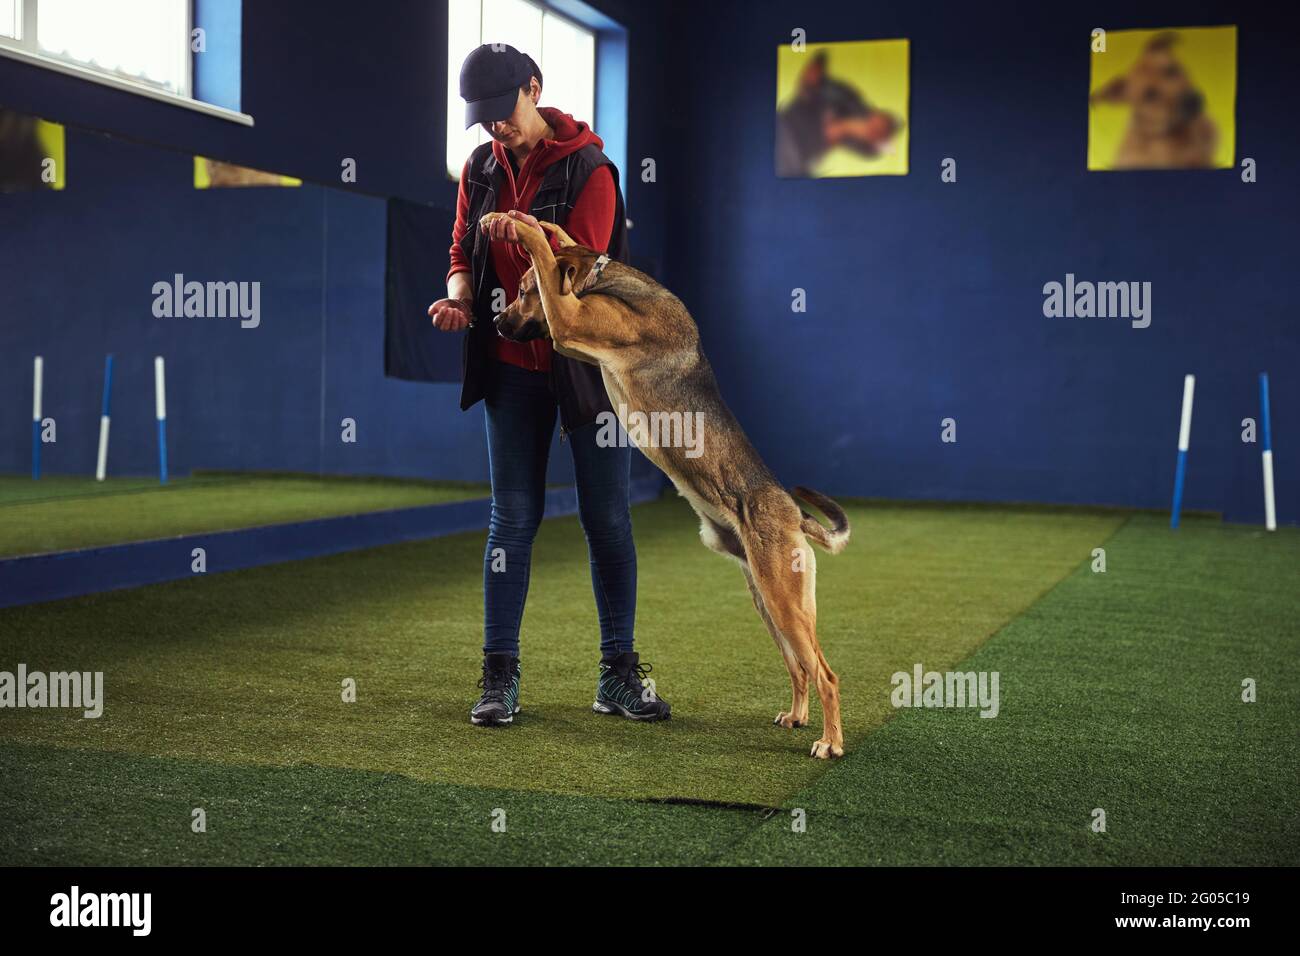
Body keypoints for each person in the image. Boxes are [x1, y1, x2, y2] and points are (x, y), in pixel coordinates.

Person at [429, 43, 670, 727]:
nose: (492, 128)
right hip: (512, 369)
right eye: (480, 119)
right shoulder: (479, 167)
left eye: (501, 112)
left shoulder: (591, 169)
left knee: (607, 520)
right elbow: (459, 250)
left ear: (534, 89)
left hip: (590, 369)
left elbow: (578, 271)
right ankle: (499, 677)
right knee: (512, 520)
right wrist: (462, 298)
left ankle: (617, 676)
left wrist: (523, 230)